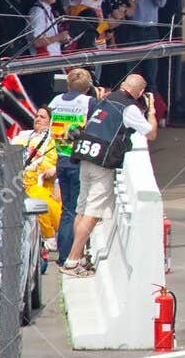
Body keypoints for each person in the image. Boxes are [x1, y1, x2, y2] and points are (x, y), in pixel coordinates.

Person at [61, 73, 158, 277]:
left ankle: (78, 257)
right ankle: (72, 261)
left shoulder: (106, 99)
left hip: (85, 157)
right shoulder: (129, 108)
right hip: (102, 163)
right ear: (140, 92)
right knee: (93, 213)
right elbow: (151, 133)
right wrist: (152, 111)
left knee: (82, 210)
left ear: (123, 85)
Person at [48, 68, 94, 266]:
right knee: (76, 210)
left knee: (67, 209)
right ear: (88, 87)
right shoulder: (88, 102)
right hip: (78, 159)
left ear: (67, 84)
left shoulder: (55, 101)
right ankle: (69, 255)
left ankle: (64, 252)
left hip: (60, 157)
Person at [14, 106, 62, 255]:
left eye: (43, 117)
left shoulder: (56, 141)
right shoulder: (23, 137)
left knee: (38, 198)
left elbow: (66, 163)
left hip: (42, 186)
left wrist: (56, 172)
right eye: (37, 116)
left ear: (50, 121)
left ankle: (49, 238)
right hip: (17, 184)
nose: (38, 119)